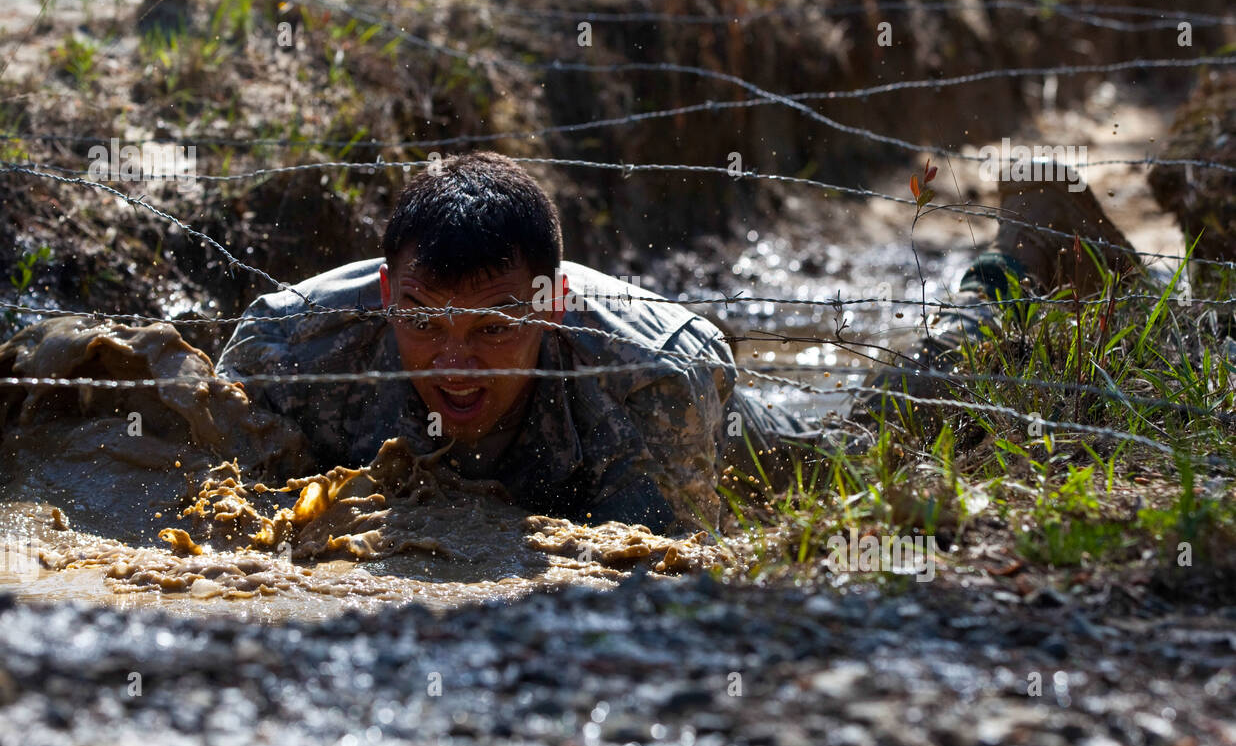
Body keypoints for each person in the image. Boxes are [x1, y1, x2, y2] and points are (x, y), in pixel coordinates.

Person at [216, 150, 1138, 535]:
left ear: (552, 302)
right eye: (422, 322)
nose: (453, 360)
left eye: (493, 327)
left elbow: (635, 569)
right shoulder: (285, 352)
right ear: (386, 296)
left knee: (891, 430)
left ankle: (1014, 270)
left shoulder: (653, 381)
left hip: (742, 445)